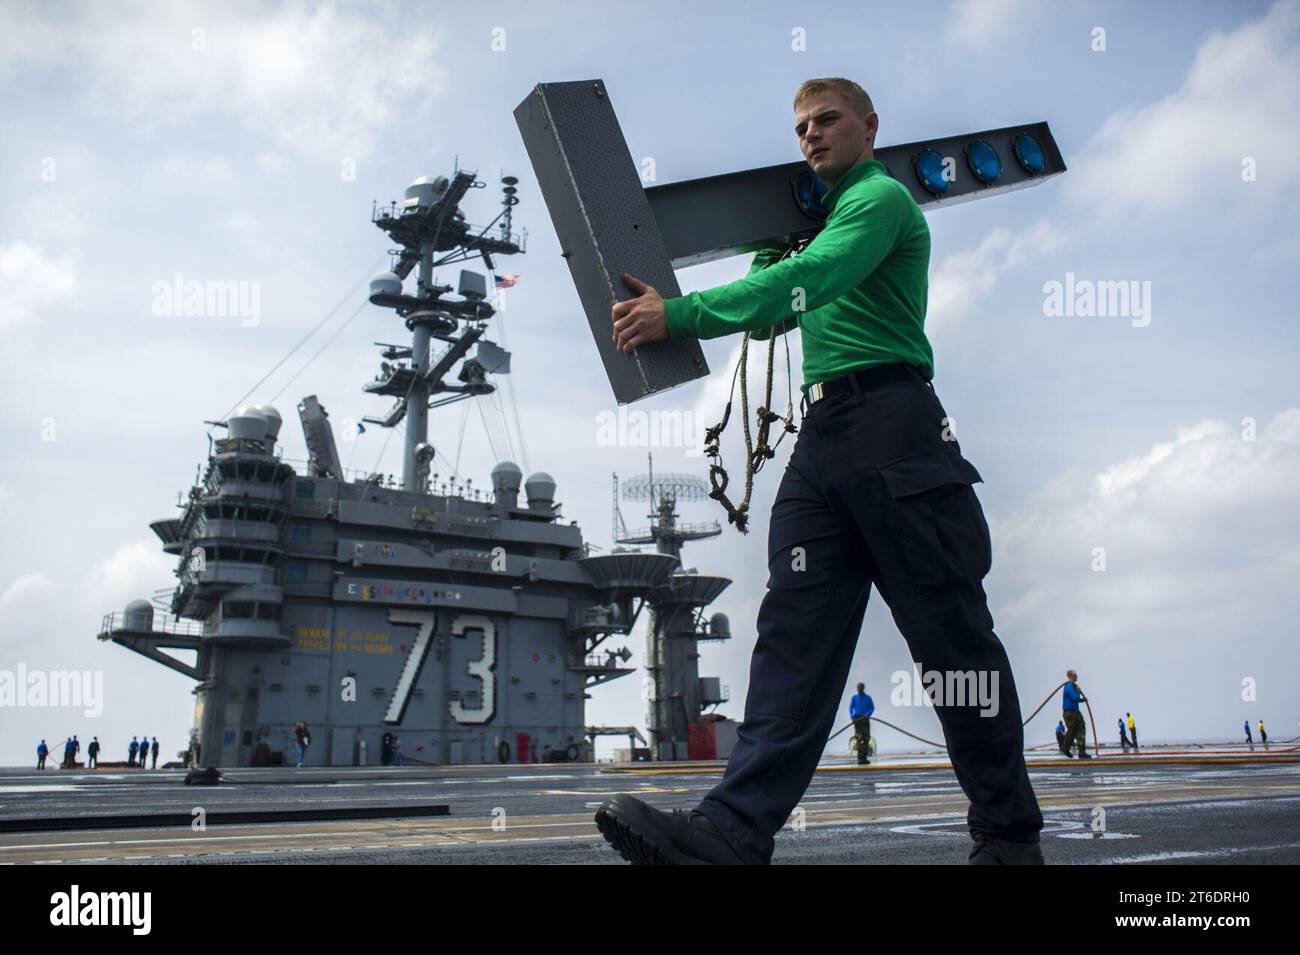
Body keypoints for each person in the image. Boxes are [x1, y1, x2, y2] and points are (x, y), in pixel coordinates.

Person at [597, 77, 1045, 865]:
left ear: (869, 127)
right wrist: (771, 237)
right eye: (801, 126)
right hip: (825, 433)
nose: (811, 135)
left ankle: (1009, 839)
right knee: (793, 638)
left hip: (897, 424)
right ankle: (731, 834)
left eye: (827, 120)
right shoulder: (826, 221)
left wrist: (680, 313)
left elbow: (814, 281)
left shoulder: (879, 202)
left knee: (954, 646)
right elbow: (777, 306)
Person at [1062, 670, 1090, 759]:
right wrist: (1078, 691)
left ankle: (1082, 751)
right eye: (1075, 675)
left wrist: (1083, 699)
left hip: (1075, 711)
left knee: (1081, 728)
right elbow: (1074, 697)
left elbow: (1076, 698)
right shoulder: (1069, 686)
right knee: (1072, 730)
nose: (1076, 677)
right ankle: (1065, 747)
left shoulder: (1072, 686)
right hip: (1070, 712)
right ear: (1070, 676)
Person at [848, 683, 874, 765]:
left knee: (866, 738)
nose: (858, 689)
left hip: (865, 720)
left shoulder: (868, 698)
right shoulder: (854, 698)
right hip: (857, 720)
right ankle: (860, 758)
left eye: (860, 687)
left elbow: (872, 708)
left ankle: (864, 758)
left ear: (863, 688)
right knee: (859, 738)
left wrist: (868, 714)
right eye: (858, 687)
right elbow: (851, 708)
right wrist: (852, 717)